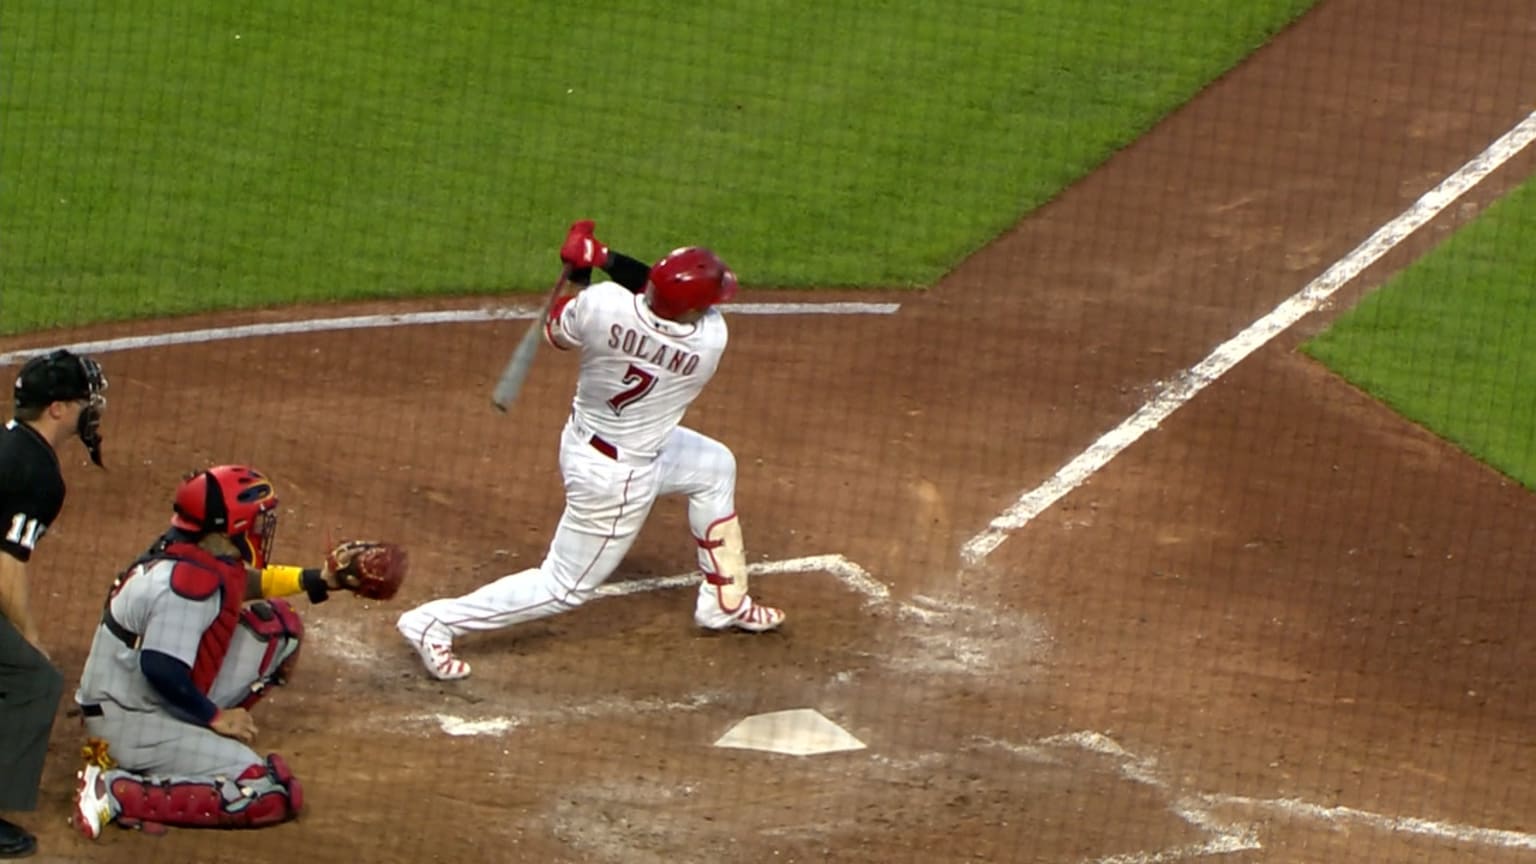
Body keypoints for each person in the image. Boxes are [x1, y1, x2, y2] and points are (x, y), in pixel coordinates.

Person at [396, 220, 786, 680]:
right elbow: (656, 292)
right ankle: (434, 622)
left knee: (715, 467)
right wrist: (606, 258)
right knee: (564, 587)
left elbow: (558, 328)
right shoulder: (707, 342)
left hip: (594, 441)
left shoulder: (602, 306)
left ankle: (725, 601)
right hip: (620, 477)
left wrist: (585, 266)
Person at [70, 464, 382, 838]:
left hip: (133, 692)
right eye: (255, 519)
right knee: (266, 791)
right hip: (129, 720)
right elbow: (160, 668)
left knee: (278, 630)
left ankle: (188, 740)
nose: (262, 527)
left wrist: (317, 579)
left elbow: (238, 582)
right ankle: (115, 791)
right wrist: (216, 717)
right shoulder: (186, 585)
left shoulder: (192, 550)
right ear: (228, 527)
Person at [0, 349, 107, 859]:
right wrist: (31, 639)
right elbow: (5, 567)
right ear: (58, 410)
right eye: (83, 400)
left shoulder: (8, 444)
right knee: (33, 678)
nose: (91, 409)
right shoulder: (38, 474)